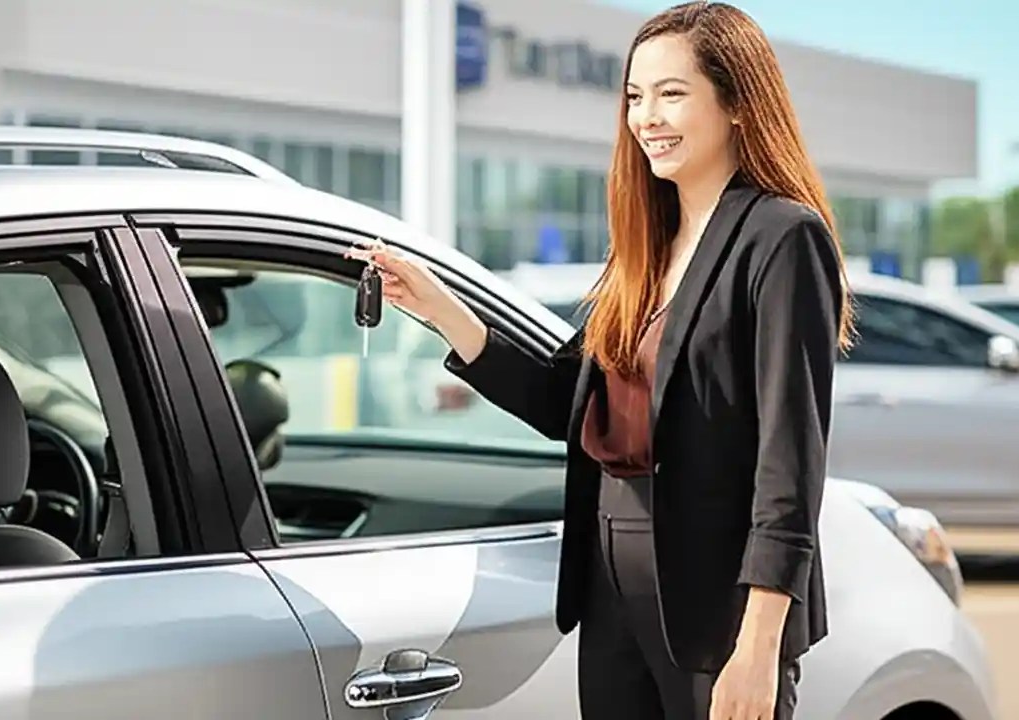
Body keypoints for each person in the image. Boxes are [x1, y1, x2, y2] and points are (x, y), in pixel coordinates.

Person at [347, 1, 852, 717]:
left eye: (671, 94)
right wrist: (440, 309)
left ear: (738, 102)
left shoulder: (781, 237)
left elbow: (790, 463)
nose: (647, 117)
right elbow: (567, 404)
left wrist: (759, 644)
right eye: (635, 97)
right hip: (611, 586)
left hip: (716, 609)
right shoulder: (646, 244)